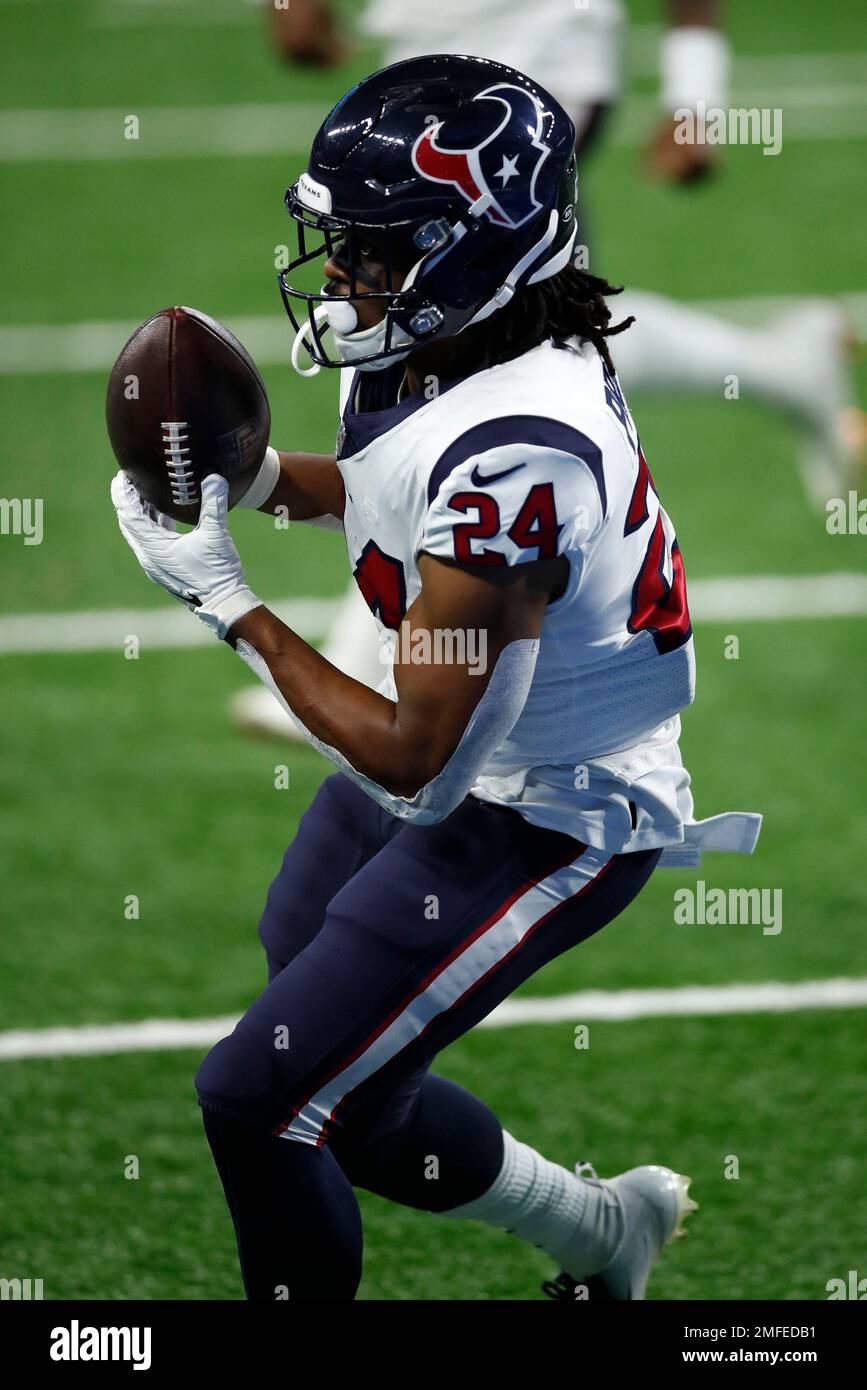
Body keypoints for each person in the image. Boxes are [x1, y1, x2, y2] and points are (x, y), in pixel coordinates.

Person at [112, 55, 761, 1300]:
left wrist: (224, 598)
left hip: (551, 806)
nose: (345, 270)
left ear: (472, 252)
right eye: (342, 237)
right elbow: (392, 489)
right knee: (320, 1037)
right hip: (479, 745)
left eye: (377, 245)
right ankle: (598, 1230)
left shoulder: (521, 449)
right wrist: (248, 487)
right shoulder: (456, 335)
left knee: (261, 1097)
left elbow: (420, 760)